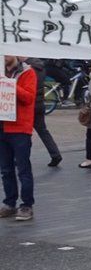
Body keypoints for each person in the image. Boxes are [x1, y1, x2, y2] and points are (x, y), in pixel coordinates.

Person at [0, 56, 37, 221]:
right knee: (6, 170)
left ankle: (26, 205)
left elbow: (28, 98)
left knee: (23, 169)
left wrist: (9, 84)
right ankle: (9, 203)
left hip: (20, 127)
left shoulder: (28, 73)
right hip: (2, 126)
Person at [25, 58, 62, 167]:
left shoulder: (27, 69)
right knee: (43, 131)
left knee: (25, 133)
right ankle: (55, 154)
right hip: (40, 103)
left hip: (30, 104)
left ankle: (21, 158)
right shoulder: (41, 67)